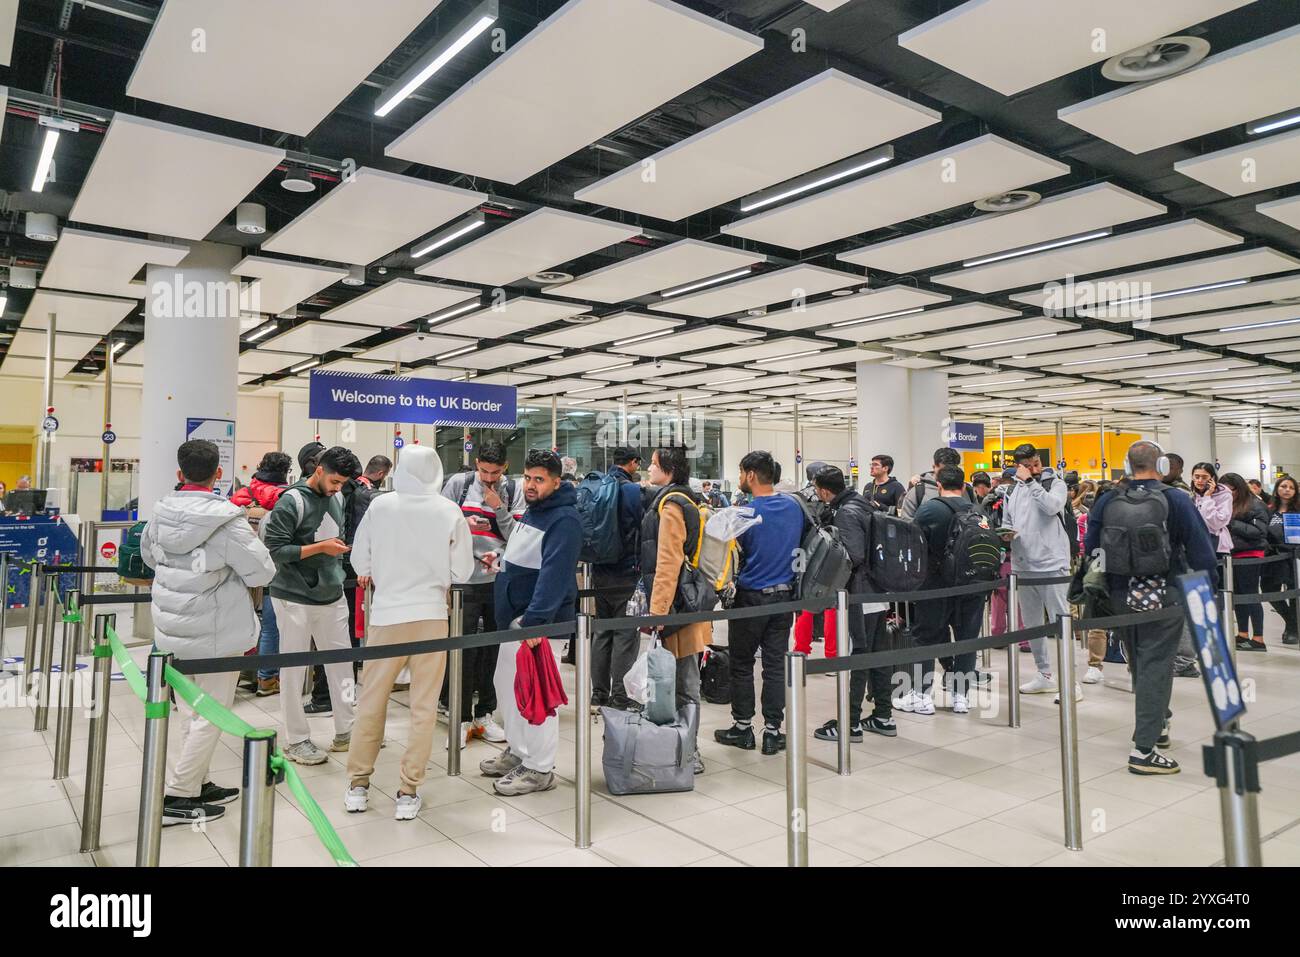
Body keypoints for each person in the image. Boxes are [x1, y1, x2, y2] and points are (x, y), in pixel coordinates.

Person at [140, 439, 276, 824]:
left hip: (172, 629)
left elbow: (151, 556)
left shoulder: (160, 513)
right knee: (212, 713)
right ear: (219, 474)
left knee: (192, 710)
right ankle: (178, 795)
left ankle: (197, 781)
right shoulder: (228, 522)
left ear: (180, 475)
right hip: (216, 633)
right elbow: (263, 571)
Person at [344, 444, 473, 820]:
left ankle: (357, 785)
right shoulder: (449, 510)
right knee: (423, 707)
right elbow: (462, 571)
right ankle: (407, 790)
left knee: (371, 702)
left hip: (385, 616)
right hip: (432, 616)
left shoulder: (380, 506)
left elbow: (358, 560)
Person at [1084, 441, 1216, 774]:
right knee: (1157, 663)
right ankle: (1144, 750)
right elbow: (1200, 550)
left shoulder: (1108, 499)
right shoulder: (1176, 499)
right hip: (1163, 594)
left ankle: (1157, 724)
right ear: (1160, 463)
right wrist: (1209, 591)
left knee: (1139, 661)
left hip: (1119, 596)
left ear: (1127, 466)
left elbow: (1090, 548)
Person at [481, 449, 583, 796]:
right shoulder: (533, 512)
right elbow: (527, 554)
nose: (531, 485)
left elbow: (555, 574)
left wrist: (536, 623)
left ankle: (539, 768)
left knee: (535, 694)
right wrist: (502, 559)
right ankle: (519, 750)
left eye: (539, 479)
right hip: (515, 620)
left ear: (557, 482)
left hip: (537, 627)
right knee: (507, 686)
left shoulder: (564, 520)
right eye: (527, 478)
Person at [262, 446, 361, 765]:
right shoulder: (292, 500)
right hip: (293, 597)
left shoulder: (339, 497)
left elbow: (337, 536)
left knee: (343, 665)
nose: (336, 488)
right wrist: (320, 548)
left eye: (341, 484)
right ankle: (296, 739)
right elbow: (275, 550)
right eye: (333, 481)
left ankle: (347, 729)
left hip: (331, 594)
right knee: (293, 669)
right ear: (318, 470)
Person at [714, 451, 806, 756]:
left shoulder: (745, 512)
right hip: (784, 598)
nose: (740, 478)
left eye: (741, 472)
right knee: (774, 665)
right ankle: (772, 732)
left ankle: (742, 728)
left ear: (751, 475)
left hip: (750, 596)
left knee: (741, 663)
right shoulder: (795, 507)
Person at [440, 439, 524, 746]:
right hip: (462, 581)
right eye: (484, 471)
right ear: (477, 464)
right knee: (462, 650)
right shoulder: (458, 485)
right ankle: (460, 717)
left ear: (505, 468)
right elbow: (440, 525)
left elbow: (517, 535)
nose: (489, 477)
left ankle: (484, 713)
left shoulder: (513, 491)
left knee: (493, 649)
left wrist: (498, 508)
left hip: (497, 581)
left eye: (495, 472)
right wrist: (462, 522)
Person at [810, 466, 896, 739]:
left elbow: (854, 555)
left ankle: (851, 722)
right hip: (878, 589)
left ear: (824, 490)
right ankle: (883, 716)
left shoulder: (846, 512)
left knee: (858, 653)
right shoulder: (862, 503)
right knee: (877, 654)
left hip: (860, 592)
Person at [640, 447, 710, 773]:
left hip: (678, 607)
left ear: (667, 470)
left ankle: (689, 751)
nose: (648, 468)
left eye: (653, 464)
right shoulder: (684, 499)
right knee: (680, 680)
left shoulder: (670, 507)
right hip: (685, 603)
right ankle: (680, 745)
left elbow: (668, 561)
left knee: (685, 682)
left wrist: (657, 613)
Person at [306, 453, 391, 715]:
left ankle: (328, 697)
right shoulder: (363, 494)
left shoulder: (340, 494)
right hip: (350, 576)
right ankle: (336, 695)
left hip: (342, 575)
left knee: (338, 639)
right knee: (345, 638)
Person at [902, 464, 984, 715]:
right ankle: (961, 697)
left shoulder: (929, 510)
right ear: (963, 487)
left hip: (935, 585)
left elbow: (912, 543)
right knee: (966, 639)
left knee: (926, 637)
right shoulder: (977, 512)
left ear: (938, 485)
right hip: (972, 586)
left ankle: (921, 695)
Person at [1003, 444, 1080, 701]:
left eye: (1036, 463)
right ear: (1018, 465)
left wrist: (1032, 483)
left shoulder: (1054, 483)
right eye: (1028, 465)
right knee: (1033, 624)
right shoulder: (1011, 490)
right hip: (1023, 565)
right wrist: (1005, 534)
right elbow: (1008, 521)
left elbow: (1052, 507)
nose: (1034, 469)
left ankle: (1072, 680)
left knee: (1061, 622)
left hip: (1052, 565)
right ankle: (1044, 674)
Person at [231, 451, 293, 697]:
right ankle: (266, 679)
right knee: (270, 625)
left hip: (239, 568)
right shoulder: (285, 497)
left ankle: (237, 673)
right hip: (273, 568)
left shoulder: (242, 494)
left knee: (240, 621)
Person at [588, 447, 644, 712]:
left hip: (600, 570)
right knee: (625, 634)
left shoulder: (597, 484)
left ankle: (598, 693)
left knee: (602, 632)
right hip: (625, 571)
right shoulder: (632, 491)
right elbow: (639, 526)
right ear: (633, 463)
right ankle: (620, 696)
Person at [1220, 472, 1271, 652]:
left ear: (1238, 489)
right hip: (1233, 554)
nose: (1228, 493)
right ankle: (1242, 634)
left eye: (1230, 490)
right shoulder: (1229, 503)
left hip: (1250, 554)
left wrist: (1230, 523)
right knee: (1238, 596)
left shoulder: (1256, 504)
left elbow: (1259, 531)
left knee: (1250, 595)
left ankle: (1258, 637)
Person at [793, 460, 835, 656]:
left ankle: (801, 649)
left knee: (804, 602)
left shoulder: (799, 496)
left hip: (803, 553)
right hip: (827, 553)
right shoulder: (828, 496)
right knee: (832, 602)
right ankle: (832, 653)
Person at [1265, 474, 1300, 645]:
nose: (1287, 490)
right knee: (1269, 591)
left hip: (1294, 557)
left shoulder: (1298, 511)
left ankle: (1293, 630)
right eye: (1284, 486)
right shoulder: (1268, 510)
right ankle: (1292, 622)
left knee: (1294, 593)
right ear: (1277, 489)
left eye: (1291, 487)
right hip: (1272, 558)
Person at [901, 447, 974, 519]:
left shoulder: (967, 490)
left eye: (952, 469)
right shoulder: (918, 491)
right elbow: (906, 524)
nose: (947, 473)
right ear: (934, 467)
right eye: (943, 470)